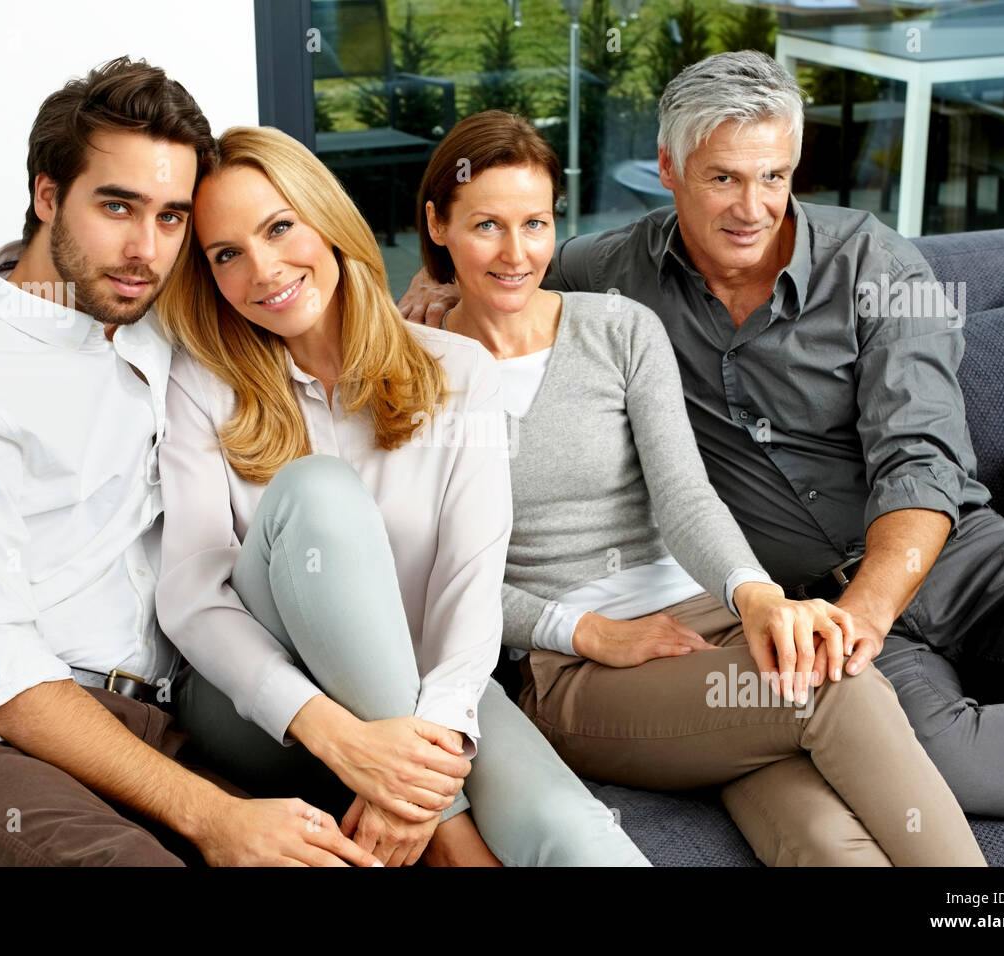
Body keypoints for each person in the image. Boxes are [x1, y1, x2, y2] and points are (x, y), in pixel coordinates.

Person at [401, 52, 1004, 818]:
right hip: (793, 604)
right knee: (939, 762)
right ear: (670, 169)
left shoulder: (874, 267)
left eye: (773, 176)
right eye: (723, 179)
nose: (753, 207)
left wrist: (863, 618)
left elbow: (922, 459)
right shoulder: (611, 275)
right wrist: (439, 281)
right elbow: (513, 267)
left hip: (960, 558)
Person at [0, 57, 377, 867]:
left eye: (170, 218)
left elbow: (298, 304)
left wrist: (432, 298)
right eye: (117, 206)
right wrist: (209, 816)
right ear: (47, 196)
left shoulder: (161, 326)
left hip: (157, 720)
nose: (144, 250)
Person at [152, 124, 648, 867]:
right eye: (228, 254)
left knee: (577, 838)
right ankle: (447, 840)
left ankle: (426, 799)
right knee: (319, 492)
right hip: (260, 714)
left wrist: (439, 729)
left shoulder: (460, 371)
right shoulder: (200, 385)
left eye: (280, 227)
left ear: (328, 216)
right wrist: (364, 754)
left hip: (426, 688)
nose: (263, 269)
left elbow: (470, 582)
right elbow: (192, 600)